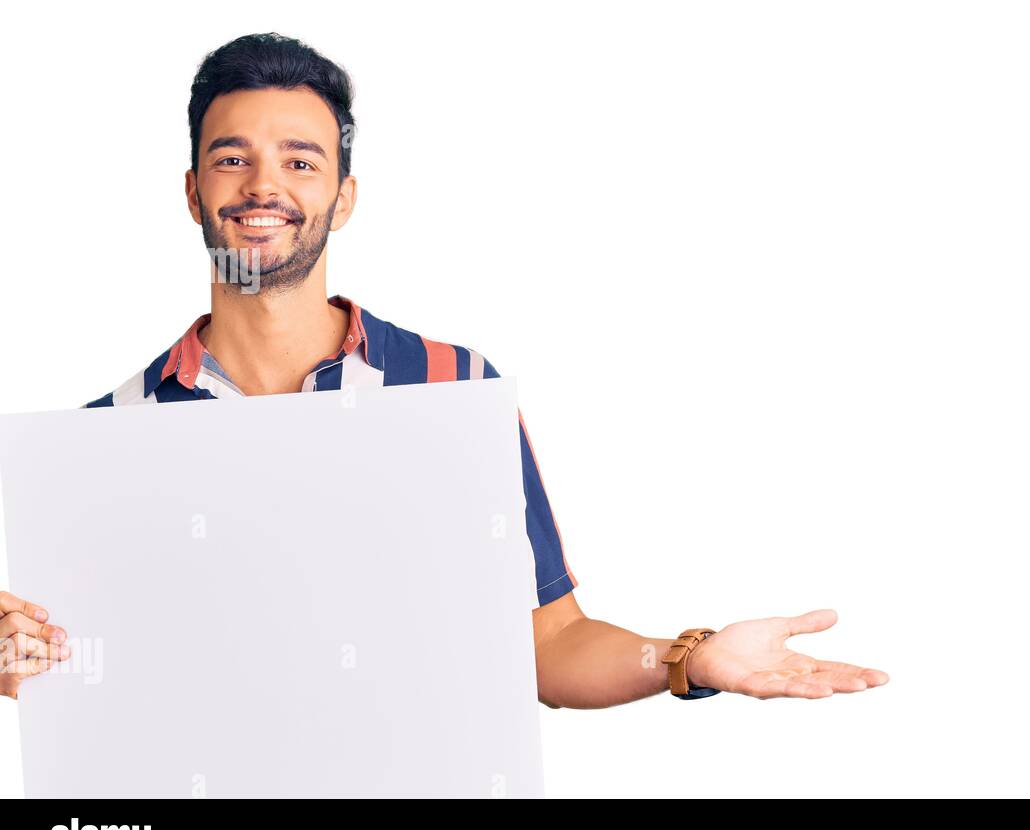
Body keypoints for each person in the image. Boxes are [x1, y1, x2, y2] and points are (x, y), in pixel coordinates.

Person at [0, 33, 888, 708]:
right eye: (231, 157)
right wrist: (21, 668)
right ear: (194, 190)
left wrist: (688, 659)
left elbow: (550, 645)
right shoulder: (101, 440)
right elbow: (90, 676)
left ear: (342, 198)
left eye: (300, 161)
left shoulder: (453, 390)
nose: (262, 186)